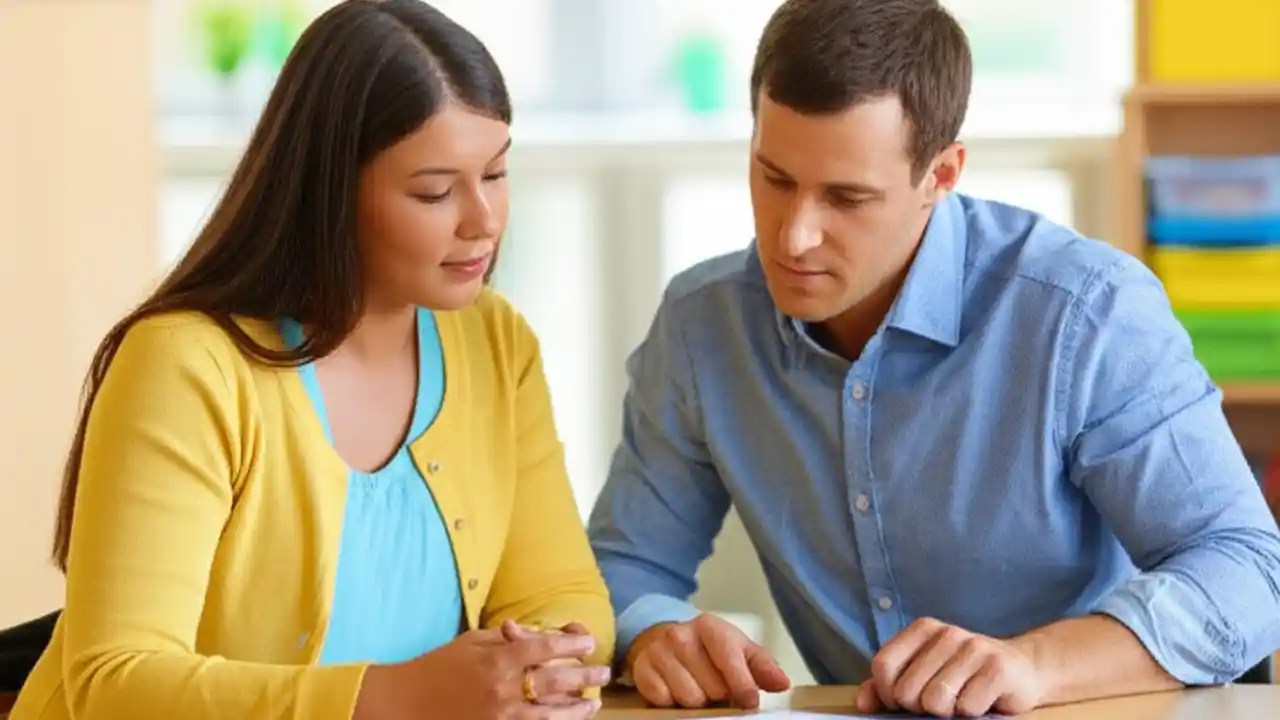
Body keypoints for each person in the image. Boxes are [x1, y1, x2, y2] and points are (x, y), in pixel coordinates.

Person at [587, 0, 1280, 717]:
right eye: (775, 178)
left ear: (941, 175)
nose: (793, 238)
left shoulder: (1086, 312)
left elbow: (1250, 569)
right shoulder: (704, 326)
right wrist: (652, 634)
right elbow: (621, 567)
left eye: (847, 197)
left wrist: (1034, 665)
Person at [11, 2, 613, 719]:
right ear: (330, 191)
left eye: (496, 173)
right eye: (435, 191)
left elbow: (565, 595)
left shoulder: (494, 342)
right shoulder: (186, 366)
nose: (483, 220)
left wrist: (530, 670)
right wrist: (399, 697)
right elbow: (116, 684)